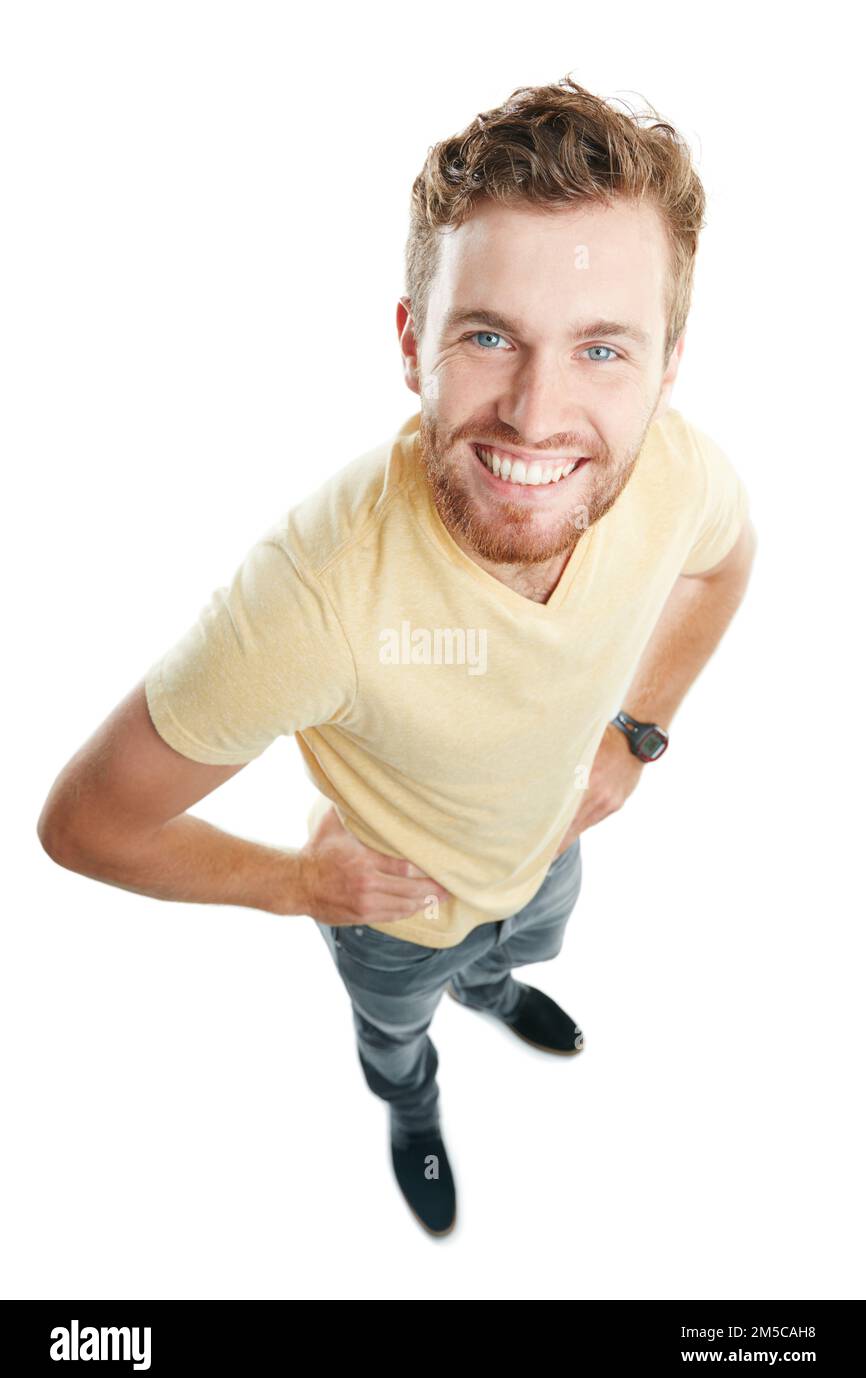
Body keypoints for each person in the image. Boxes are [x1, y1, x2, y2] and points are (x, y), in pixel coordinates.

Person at [37, 75, 757, 1239]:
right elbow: (84, 825)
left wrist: (635, 733)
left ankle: (496, 988)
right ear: (412, 340)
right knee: (395, 1029)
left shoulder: (675, 471)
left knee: (518, 946)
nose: (536, 413)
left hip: (544, 856)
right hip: (389, 915)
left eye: (602, 351)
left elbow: (726, 565)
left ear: (667, 367)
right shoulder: (313, 597)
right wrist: (294, 883)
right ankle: (410, 1105)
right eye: (487, 336)